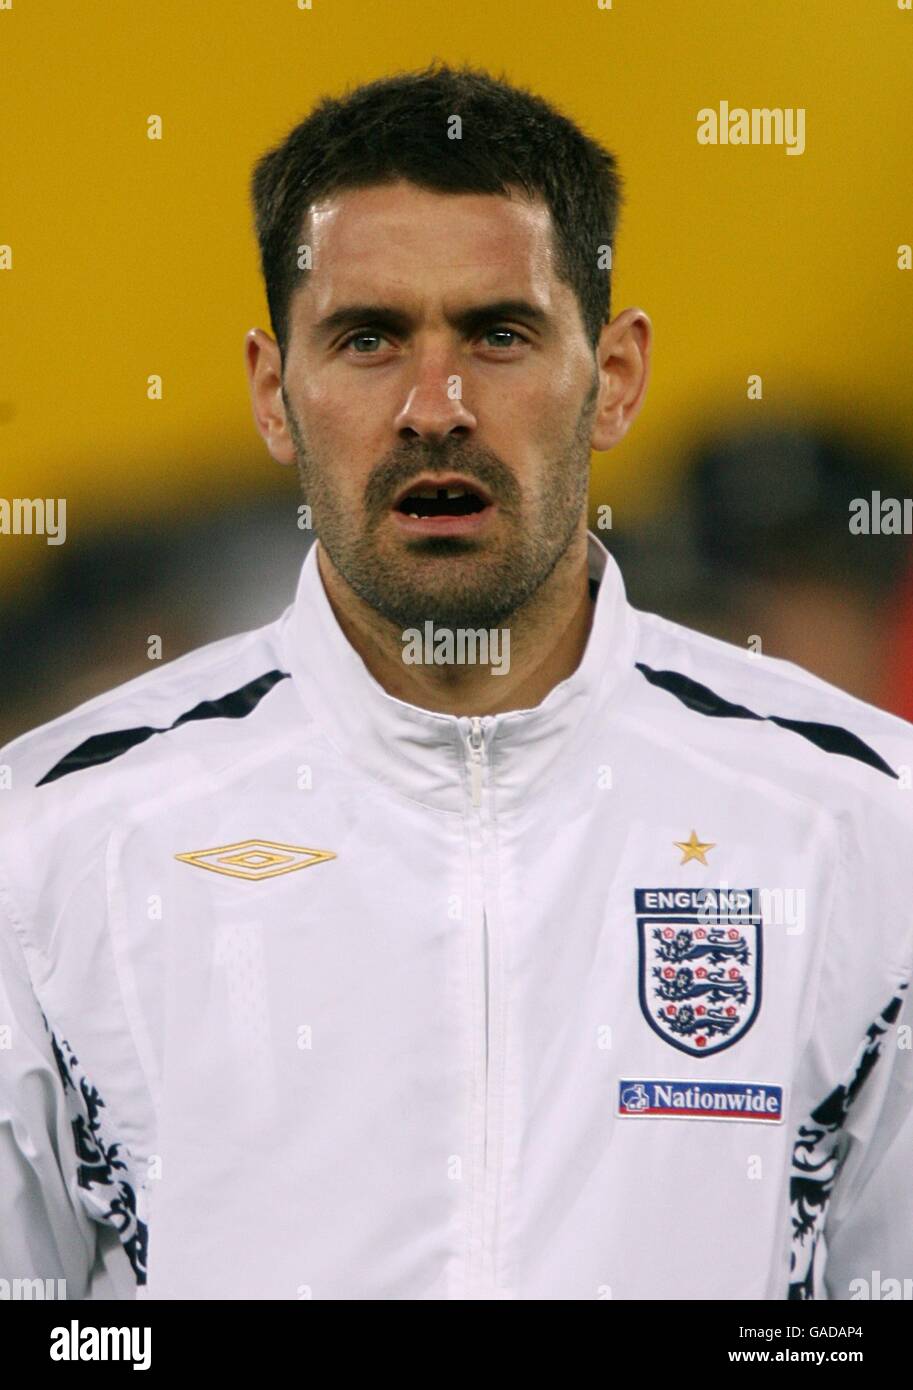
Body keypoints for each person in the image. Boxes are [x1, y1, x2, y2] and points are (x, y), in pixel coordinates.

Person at [1, 62, 911, 1301]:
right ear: (275, 394)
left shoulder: (863, 822)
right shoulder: (51, 838)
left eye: (498, 333)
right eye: (368, 339)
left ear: (617, 377)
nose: (436, 407)